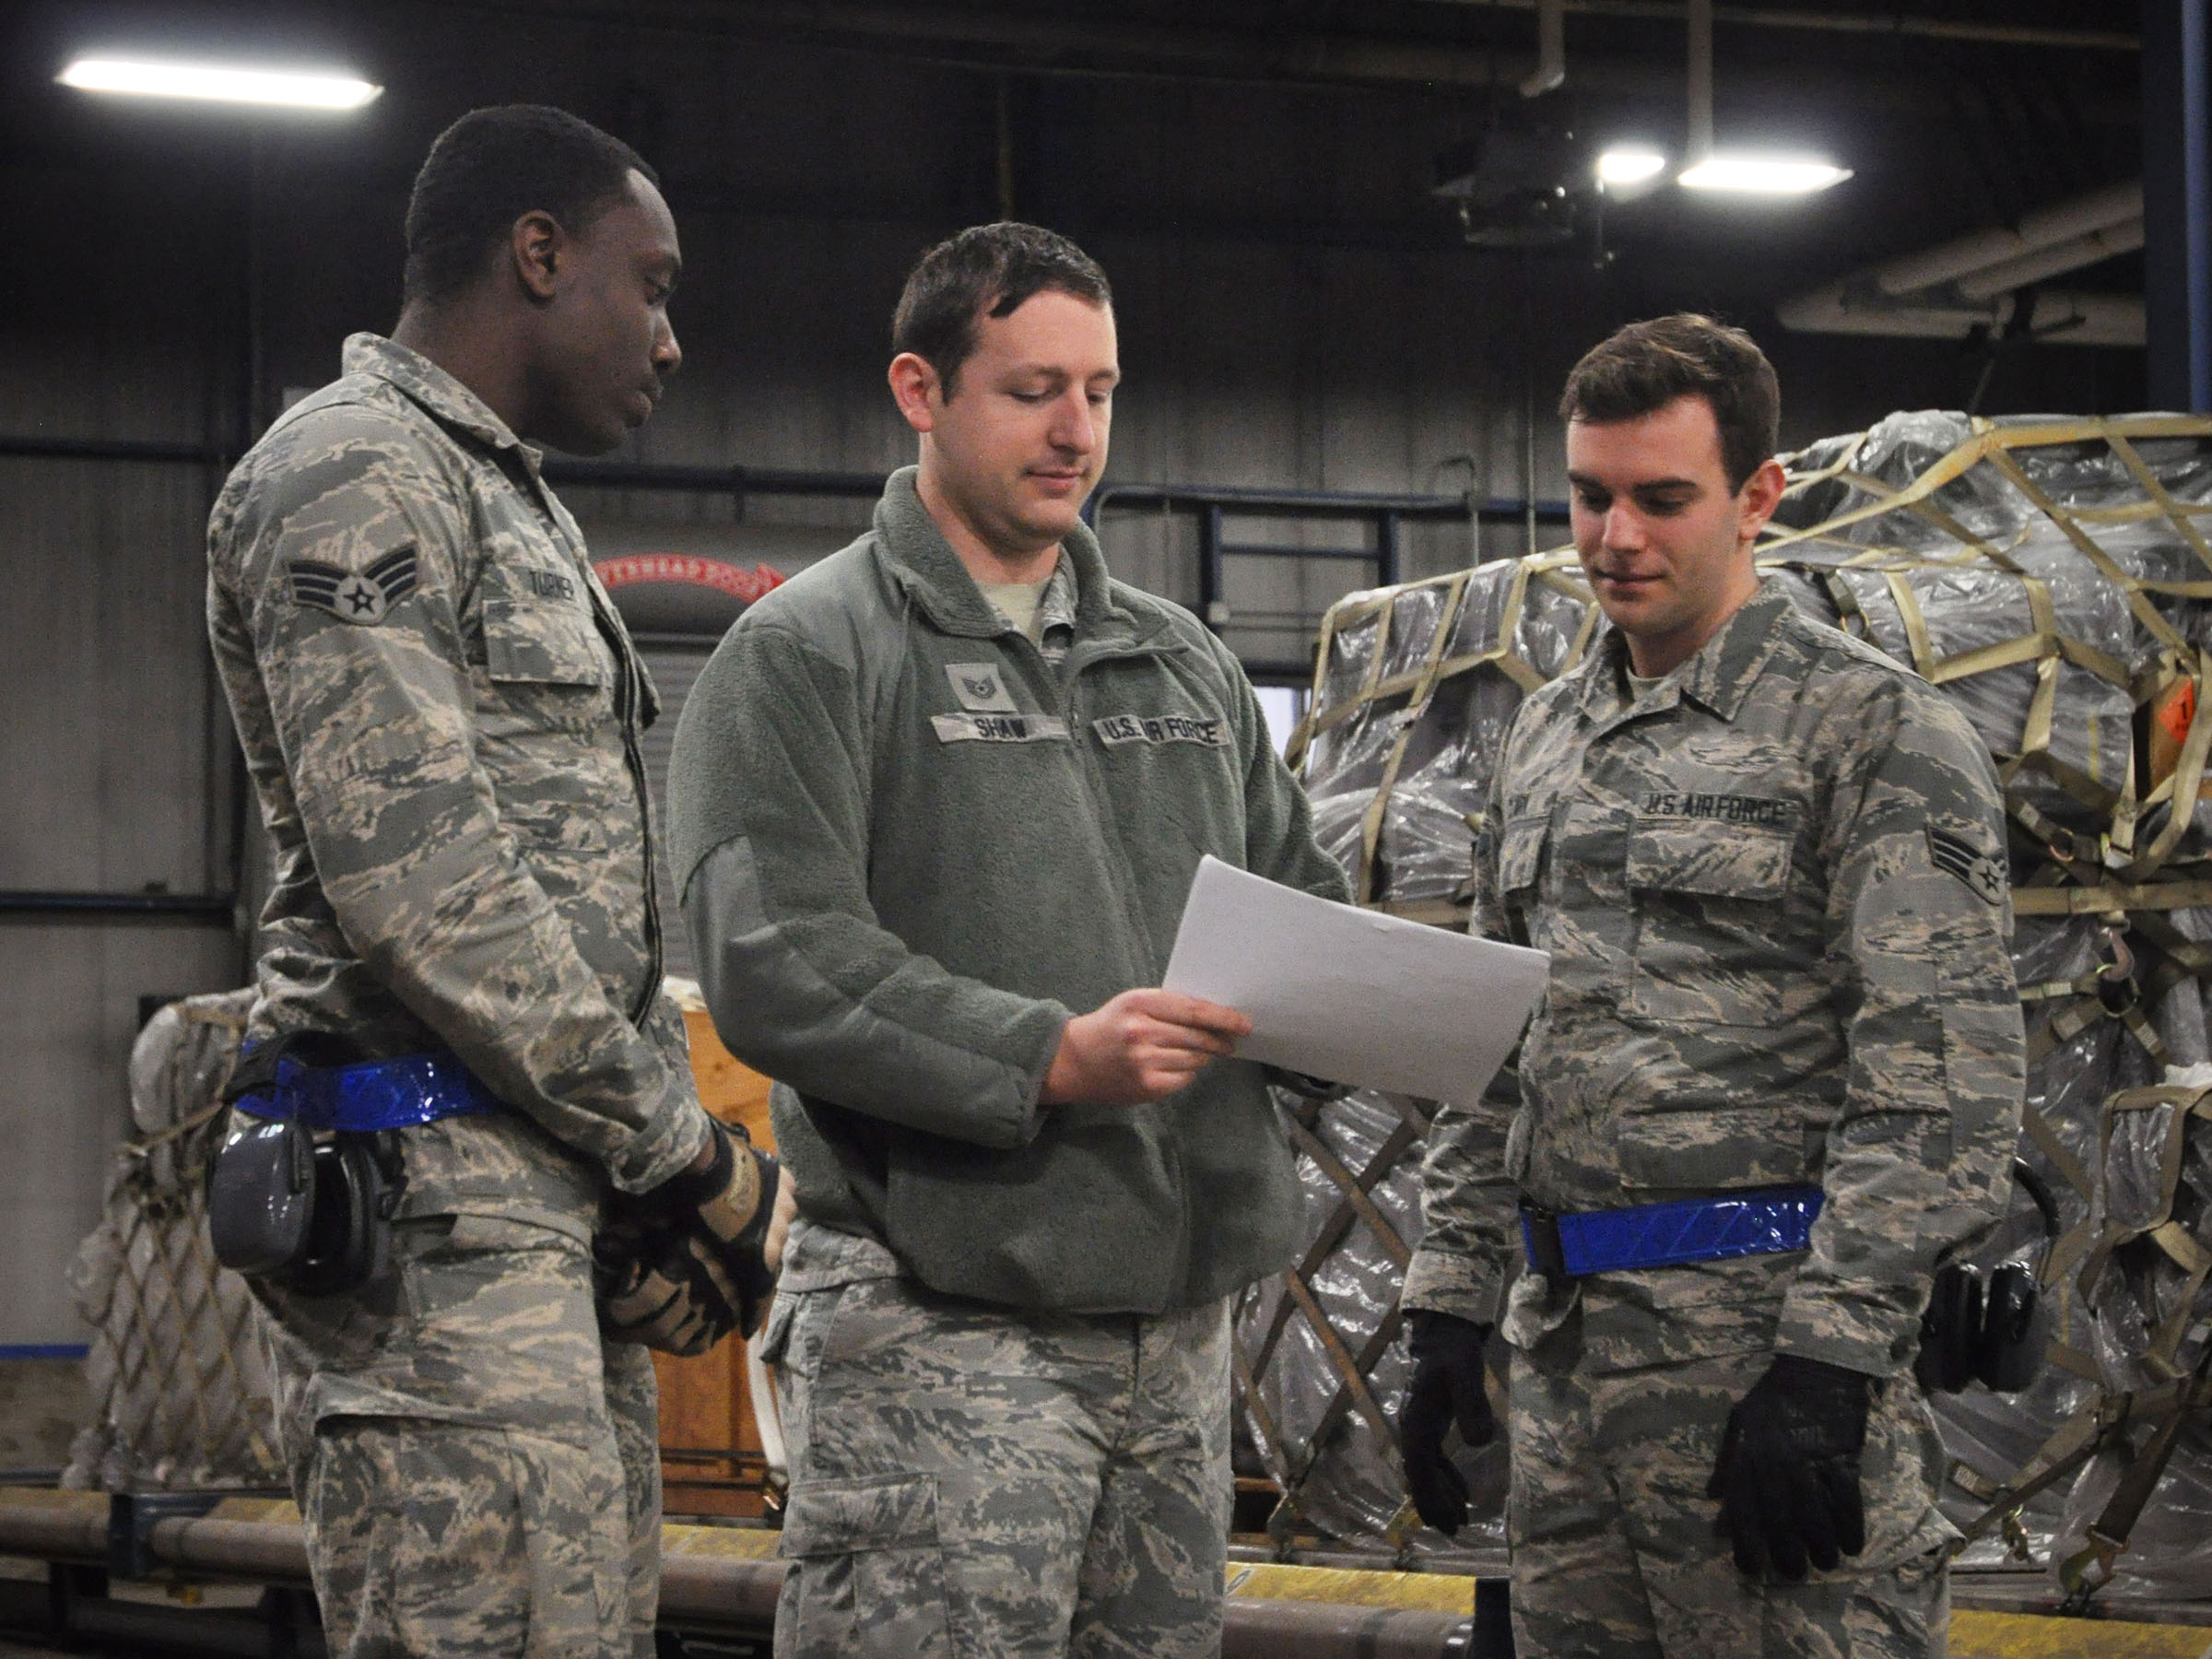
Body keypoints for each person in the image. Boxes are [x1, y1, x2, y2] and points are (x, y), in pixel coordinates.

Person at [666, 221, 1350, 1658]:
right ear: (921, 390)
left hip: (1176, 1338)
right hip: (944, 1325)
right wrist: (1046, 1057)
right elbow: (775, 958)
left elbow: (1291, 901)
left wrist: (1381, 1007)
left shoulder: (1179, 658)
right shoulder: (809, 653)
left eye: (1100, 391)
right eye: (1034, 388)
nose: (1076, 430)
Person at [206, 105, 782, 1659]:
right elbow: (429, 890)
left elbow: (564, 908)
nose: (667, 339)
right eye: (648, 285)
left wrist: (621, 1206)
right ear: (539, 254)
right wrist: (687, 1158)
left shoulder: (501, 496)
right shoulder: (352, 473)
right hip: (437, 1250)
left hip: (530, 1231)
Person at [1395, 314, 2025, 1657]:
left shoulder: (1875, 733)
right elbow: (1493, 1043)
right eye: (1589, 496)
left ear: (1757, 497)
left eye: (1661, 500)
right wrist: (1446, 1303)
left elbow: (1943, 1082)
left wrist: (1830, 1364)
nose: (1616, 537)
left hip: (1761, 1363)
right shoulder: (1547, 737)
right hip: (1565, 1381)